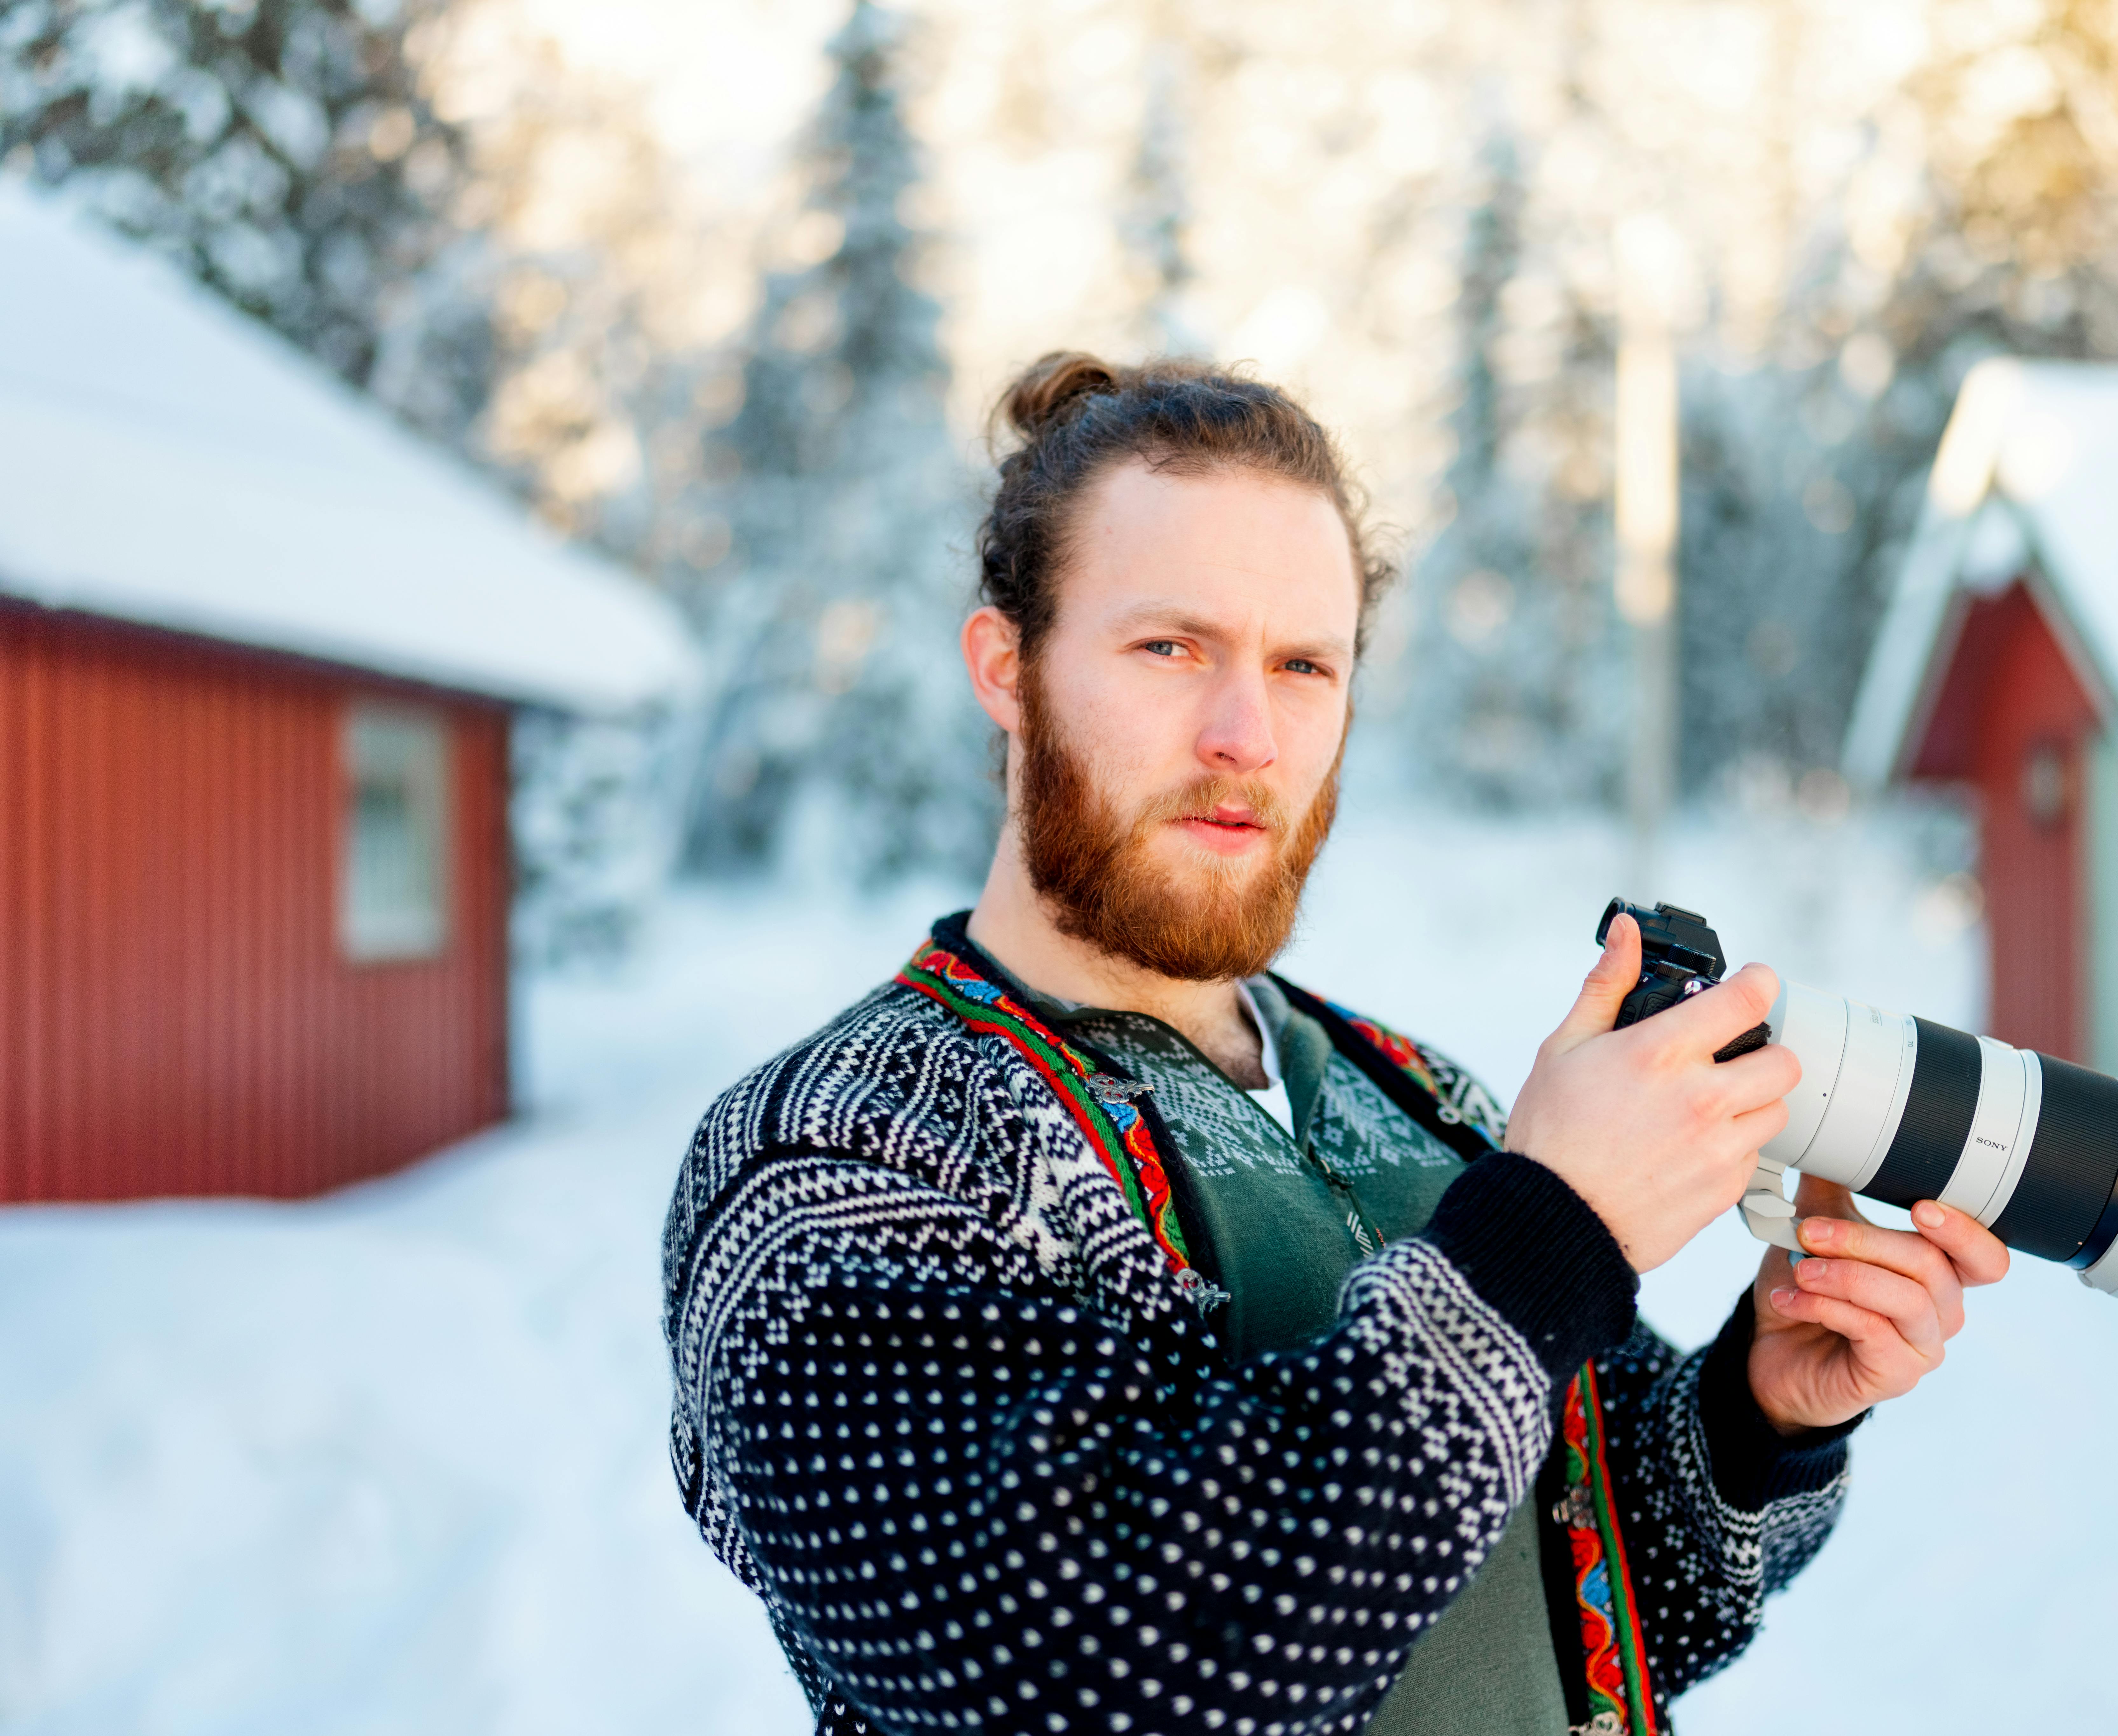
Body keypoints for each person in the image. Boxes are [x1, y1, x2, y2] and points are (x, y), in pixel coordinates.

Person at [662, 353, 2010, 1736]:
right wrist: (1548, 1233)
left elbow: (1581, 1610)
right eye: (1170, 647)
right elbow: (1099, 1674)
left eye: (1303, 665)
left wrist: (1759, 1415)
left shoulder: (1412, 1093)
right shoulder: (829, 1156)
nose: (1246, 735)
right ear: (1008, 668)